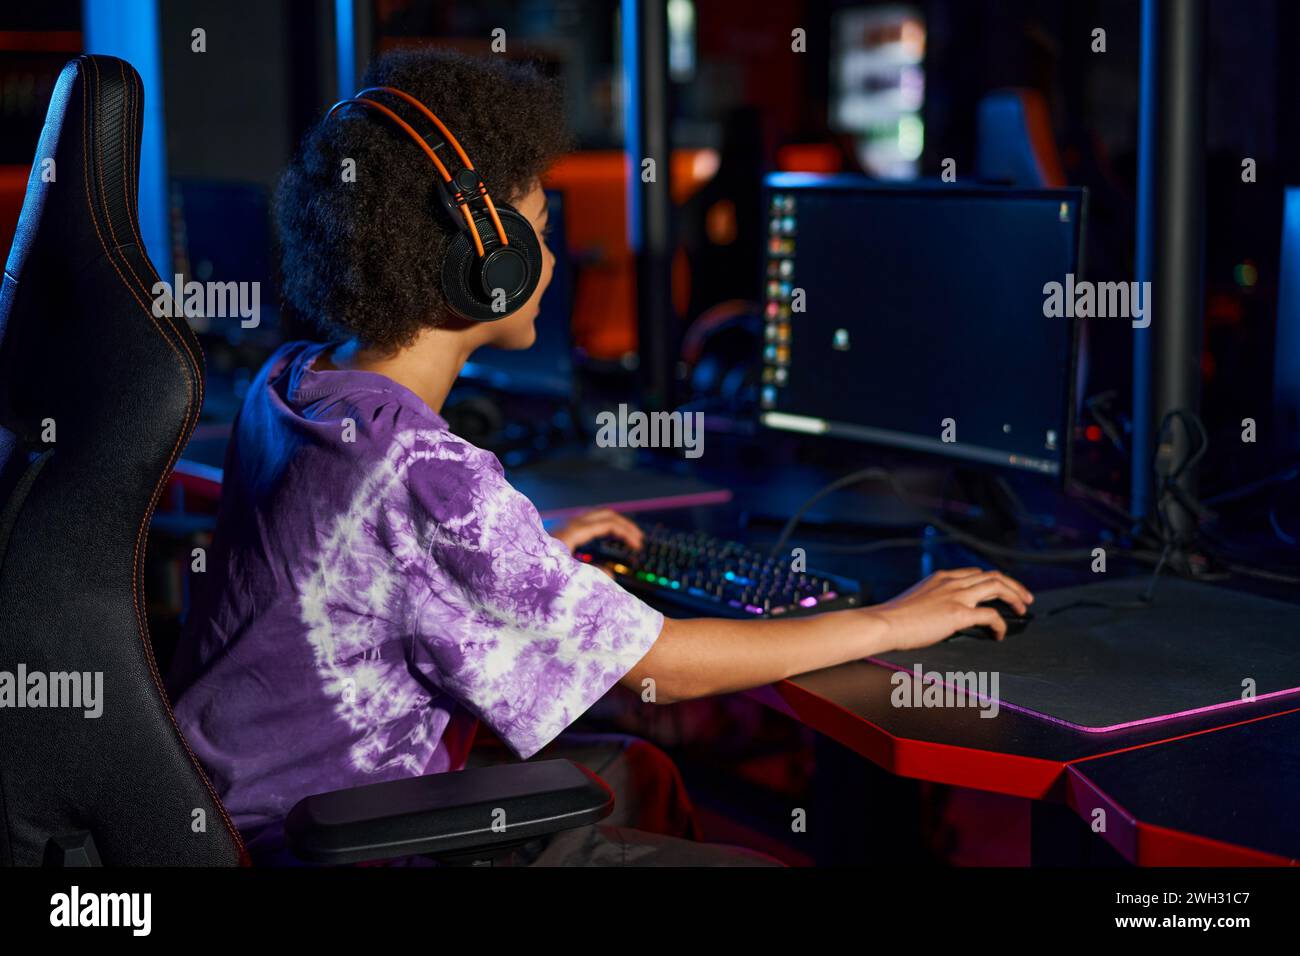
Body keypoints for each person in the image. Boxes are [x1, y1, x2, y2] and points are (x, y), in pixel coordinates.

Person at [167, 48, 1032, 867]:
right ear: (486, 264)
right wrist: (892, 620)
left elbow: (360, 559)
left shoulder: (296, 382)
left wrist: (527, 556)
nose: (552, 258)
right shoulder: (429, 478)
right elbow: (666, 671)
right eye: (539, 232)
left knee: (632, 775)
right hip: (326, 838)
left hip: (221, 806)